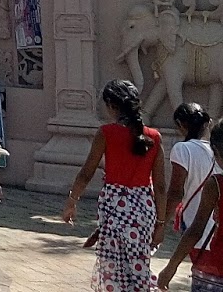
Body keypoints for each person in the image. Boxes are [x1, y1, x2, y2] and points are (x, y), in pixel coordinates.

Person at [61, 79, 169, 292]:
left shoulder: (106, 133)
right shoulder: (154, 137)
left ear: (112, 105)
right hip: (143, 210)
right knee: (139, 267)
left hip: (113, 206)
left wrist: (72, 202)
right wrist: (161, 224)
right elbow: (161, 186)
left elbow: (86, 172)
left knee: (112, 268)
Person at [158, 114, 223, 291]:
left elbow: (196, 229)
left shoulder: (218, 184)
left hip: (222, 268)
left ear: (219, 151)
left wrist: (170, 267)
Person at [163, 102, 216, 253]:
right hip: (217, 226)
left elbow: (175, 193)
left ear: (181, 125)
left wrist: (161, 223)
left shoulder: (182, 149)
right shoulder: (217, 150)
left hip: (195, 224)